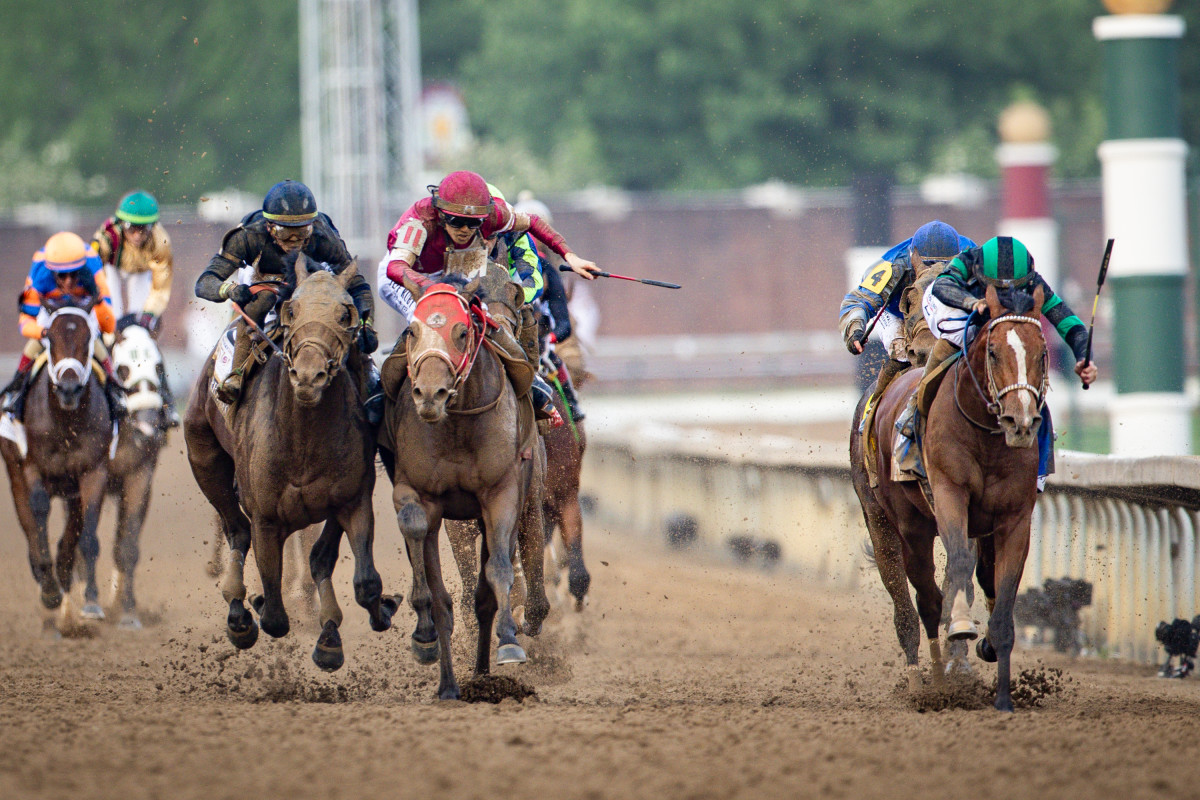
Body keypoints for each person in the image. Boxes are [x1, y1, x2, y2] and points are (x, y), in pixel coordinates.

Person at [377, 171, 601, 424]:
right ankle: (383, 400)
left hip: (454, 268)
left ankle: (530, 383)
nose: (464, 230)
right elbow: (395, 268)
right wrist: (434, 288)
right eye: (455, 221)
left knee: (487, 321)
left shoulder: (496, 216)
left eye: (473, 224)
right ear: (440, 212)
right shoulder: (420, 219)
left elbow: (534, 223)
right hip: (408, 276)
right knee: (431, 322)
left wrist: (571, 256)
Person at [893, 235, 1097, 490]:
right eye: (998, 287)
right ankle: (910, 422)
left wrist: (1083, 358)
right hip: (958, 312)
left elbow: (1069, 323)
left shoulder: (1032, 280)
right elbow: (942, 287)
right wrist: (972, 302)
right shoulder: (968, 260)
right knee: (948, 348)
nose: (1005, 292)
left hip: (1005, 328)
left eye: (1011, 288)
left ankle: (1040, 467)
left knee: (1031, 387)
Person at [194, 180, 380, 415]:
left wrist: (366, 325)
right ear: (269, 227)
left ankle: (371, 384)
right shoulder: (248, 235)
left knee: (338, 313)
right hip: (263, 278)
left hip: (310, 280)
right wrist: (229, 290)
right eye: (285, 232)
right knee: (260, 302)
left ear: (312, 226)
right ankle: (236, 373)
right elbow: (204, 282)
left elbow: (358, 286)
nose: (294, 240)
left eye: (302, 232)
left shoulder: (323, 235)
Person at [839, 220, 976, 408]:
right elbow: (857, 300)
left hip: (951, 306)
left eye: (943, 267)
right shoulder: (894, 265)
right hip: (898, 313)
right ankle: (872, 410)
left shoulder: (973, 258)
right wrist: (854, 328)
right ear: (913, 259)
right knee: (902, 354)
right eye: (929, 265)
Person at [1, 231, 127, 422]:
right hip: (51, 310)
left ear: (81, 269)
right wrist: (43, 332)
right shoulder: (39, 271)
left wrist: (99, 301)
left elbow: (109, 326)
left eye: (74, 275)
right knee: (33, 345)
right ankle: (15, 391)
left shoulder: (92, 266)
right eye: (62, 276)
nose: (68, 281)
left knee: (95, 343)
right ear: (52, 272)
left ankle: (115, 390)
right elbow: (25, 323)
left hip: (82, 308)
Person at [91, 190, 180, 427]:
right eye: (132, 227)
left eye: (144, 228)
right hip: (110, 271)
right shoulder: (106, 238)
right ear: (121, 224)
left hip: (142, 274)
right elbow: (94, 279)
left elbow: (161, 287)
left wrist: (148, 317)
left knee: (144, 338)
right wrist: (108, 322)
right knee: (109, 334)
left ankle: (167, 402)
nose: (138, 234)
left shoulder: (161, 240)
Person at [512, 193, 586, 422]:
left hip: (539, 339)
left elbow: (563, 323)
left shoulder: (548, 269)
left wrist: (548, 340)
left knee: (557, 360)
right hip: (506, 336)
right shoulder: (498, 264)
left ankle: (571, 407)